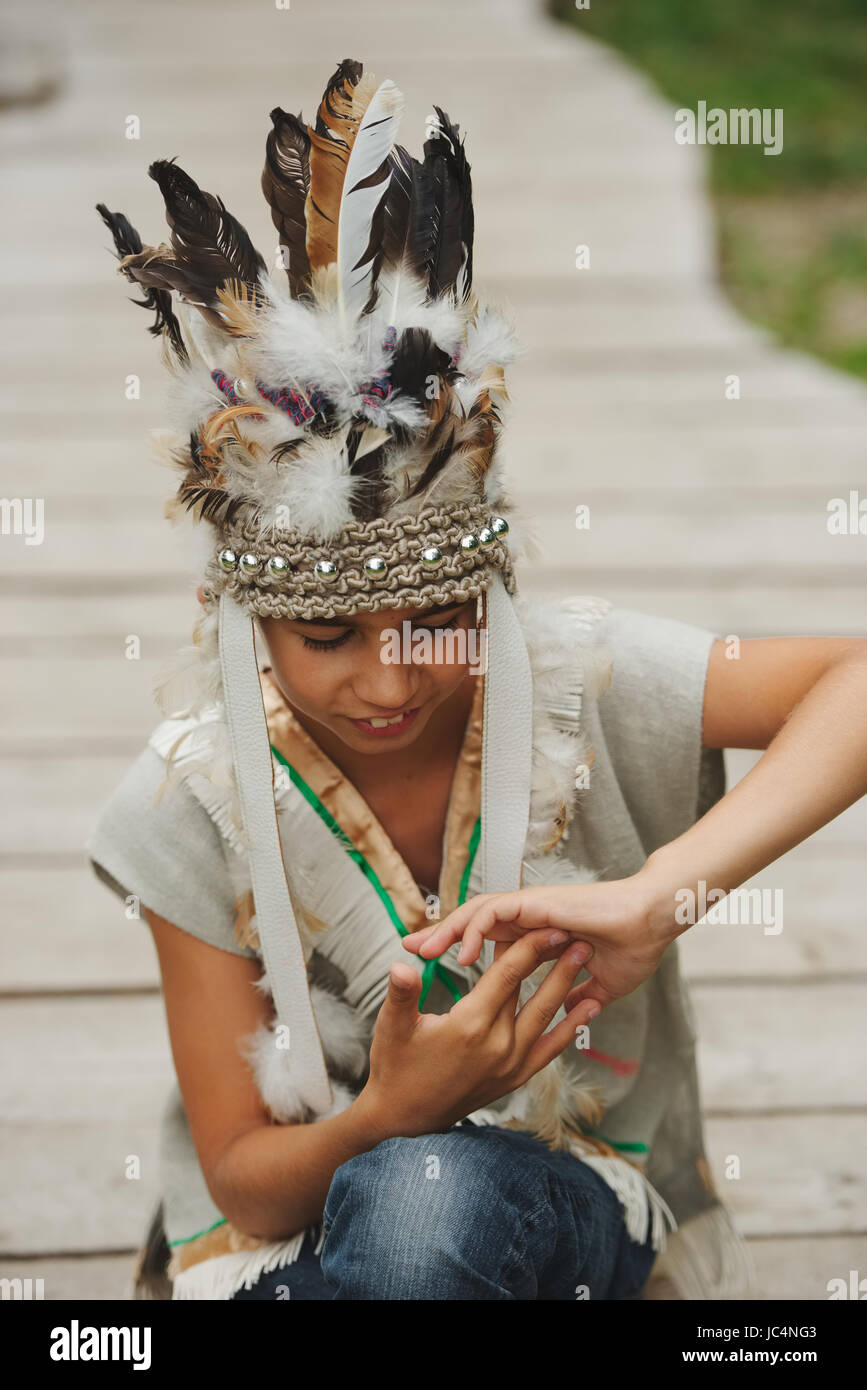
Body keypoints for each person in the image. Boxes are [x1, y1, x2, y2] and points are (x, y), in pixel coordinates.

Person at [87, 58, 867, 1301]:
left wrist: (663, 891)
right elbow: (245, 1177)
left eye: (438, 622)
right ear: (242, 629)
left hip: (556, 1199)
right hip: (297, 1230)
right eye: (330, 636)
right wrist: (394, 1106)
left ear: (492, 600)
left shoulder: (578, 679)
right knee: (384, 1212)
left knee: (427, 1204)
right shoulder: (190, 799)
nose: (392, 679)